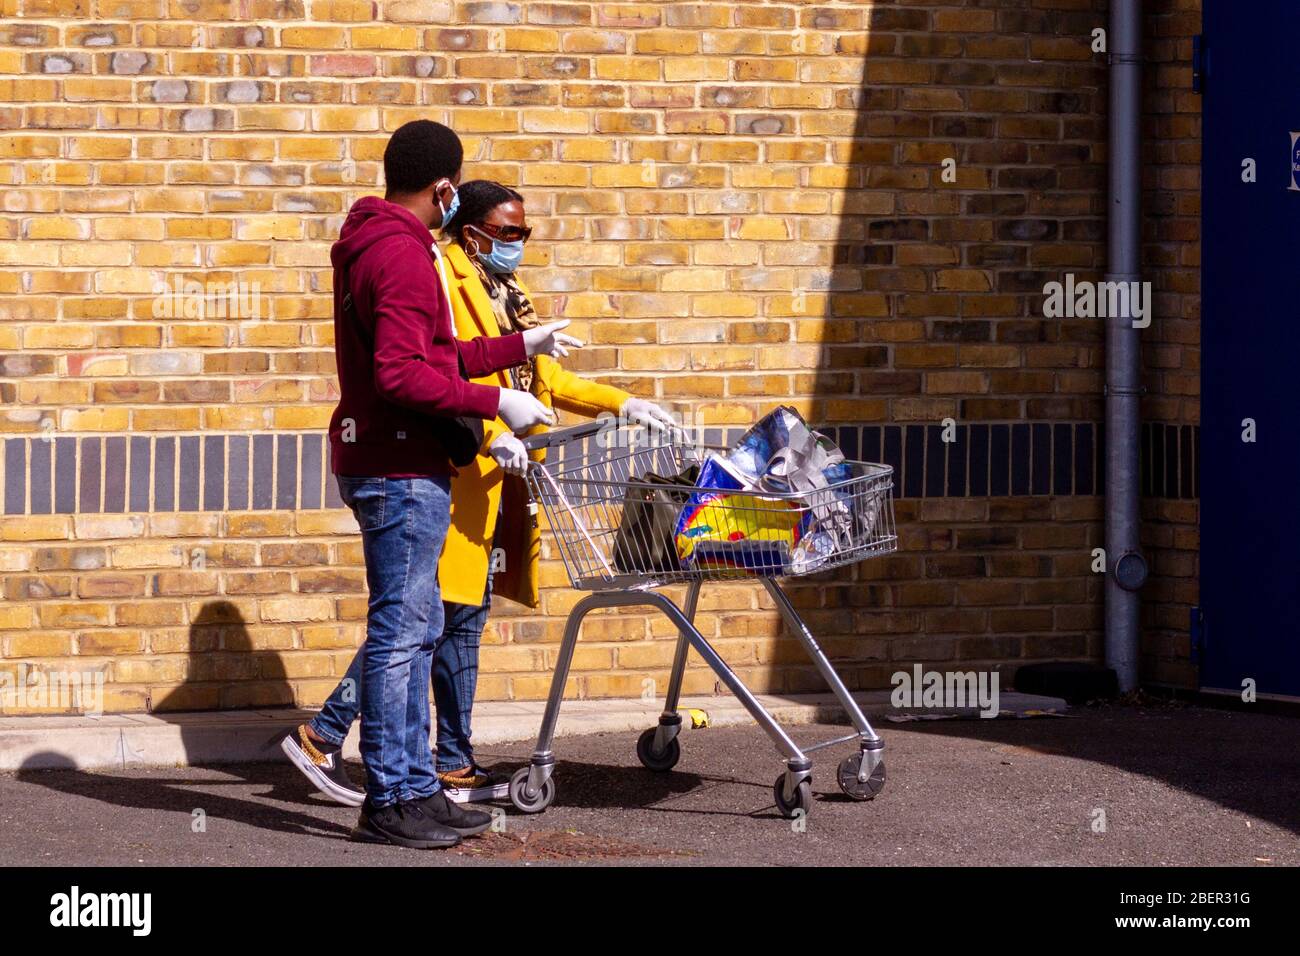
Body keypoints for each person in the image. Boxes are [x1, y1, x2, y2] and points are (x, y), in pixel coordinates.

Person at [285, 180, 674, 807]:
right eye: (511, 233)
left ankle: (449, 761)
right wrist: (494, 427)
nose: (520, 244)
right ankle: (329, 734)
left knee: (449, 621)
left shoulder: (507, 294)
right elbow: (436, 370)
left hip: (492, 484)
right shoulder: (441, 273)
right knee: (421, 622)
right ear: (473, 231)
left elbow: (543, 376)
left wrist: (625, 402)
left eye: (525, 233)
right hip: (460, 469)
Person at [293, 122, 580, 850]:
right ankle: (392, 798)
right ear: (445, 189)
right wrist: (496, 401)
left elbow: (437, 350)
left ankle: (417, 789)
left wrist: (518, 347)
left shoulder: (384, 241)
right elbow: (400, 371)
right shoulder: (400, 252)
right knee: (401, 635)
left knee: (415, 631)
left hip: (391, 462)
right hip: (398, 466)